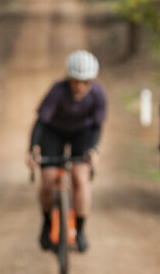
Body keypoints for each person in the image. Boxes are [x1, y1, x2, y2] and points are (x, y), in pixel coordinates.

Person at [25, 49, 107, 252]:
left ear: (92, 81)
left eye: (86, 82)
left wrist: (93, 149)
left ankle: (80, 230)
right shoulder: (57, 91)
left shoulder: (98, 95)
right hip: (54, 132)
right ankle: (46, 223)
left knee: (80, 177)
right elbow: (41, 122)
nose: (80, 86)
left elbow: (97, 126)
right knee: (48, 180)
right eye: (75, 81)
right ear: (68, 78)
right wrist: (32, 149)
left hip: (83, 133)